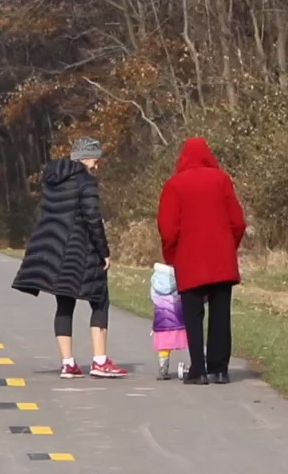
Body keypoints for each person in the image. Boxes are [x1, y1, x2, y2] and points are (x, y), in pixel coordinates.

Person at [12, 136, 128, 378]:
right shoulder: (86, 182)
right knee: (100, 301)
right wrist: (104, 252)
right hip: (80, 251)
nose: (97, 164)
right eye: (96, 159)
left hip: (55, 251)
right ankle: (100, 361)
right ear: (87, 157)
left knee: (64, 304)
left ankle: (68, 363)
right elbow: (92, 219)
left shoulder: (54, 180)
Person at [156, 136, 247, 385]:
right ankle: (219, 368)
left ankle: (198, 369)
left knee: (193, 315)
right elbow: (238, 222)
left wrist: (173, 256)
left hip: (189, 259)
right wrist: (230, 246)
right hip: (221, 259)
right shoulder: (222, 180)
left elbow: (167, 228)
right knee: (220, 315)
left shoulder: (174, 185)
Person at [150, 262, 189, 381]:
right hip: (179, 317)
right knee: (189, 340)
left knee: (163, 345)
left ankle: (163, 368)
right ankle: (196, 363)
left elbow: (153, 298)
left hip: (162, 319)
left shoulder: (156, 281)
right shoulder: (179, 279)